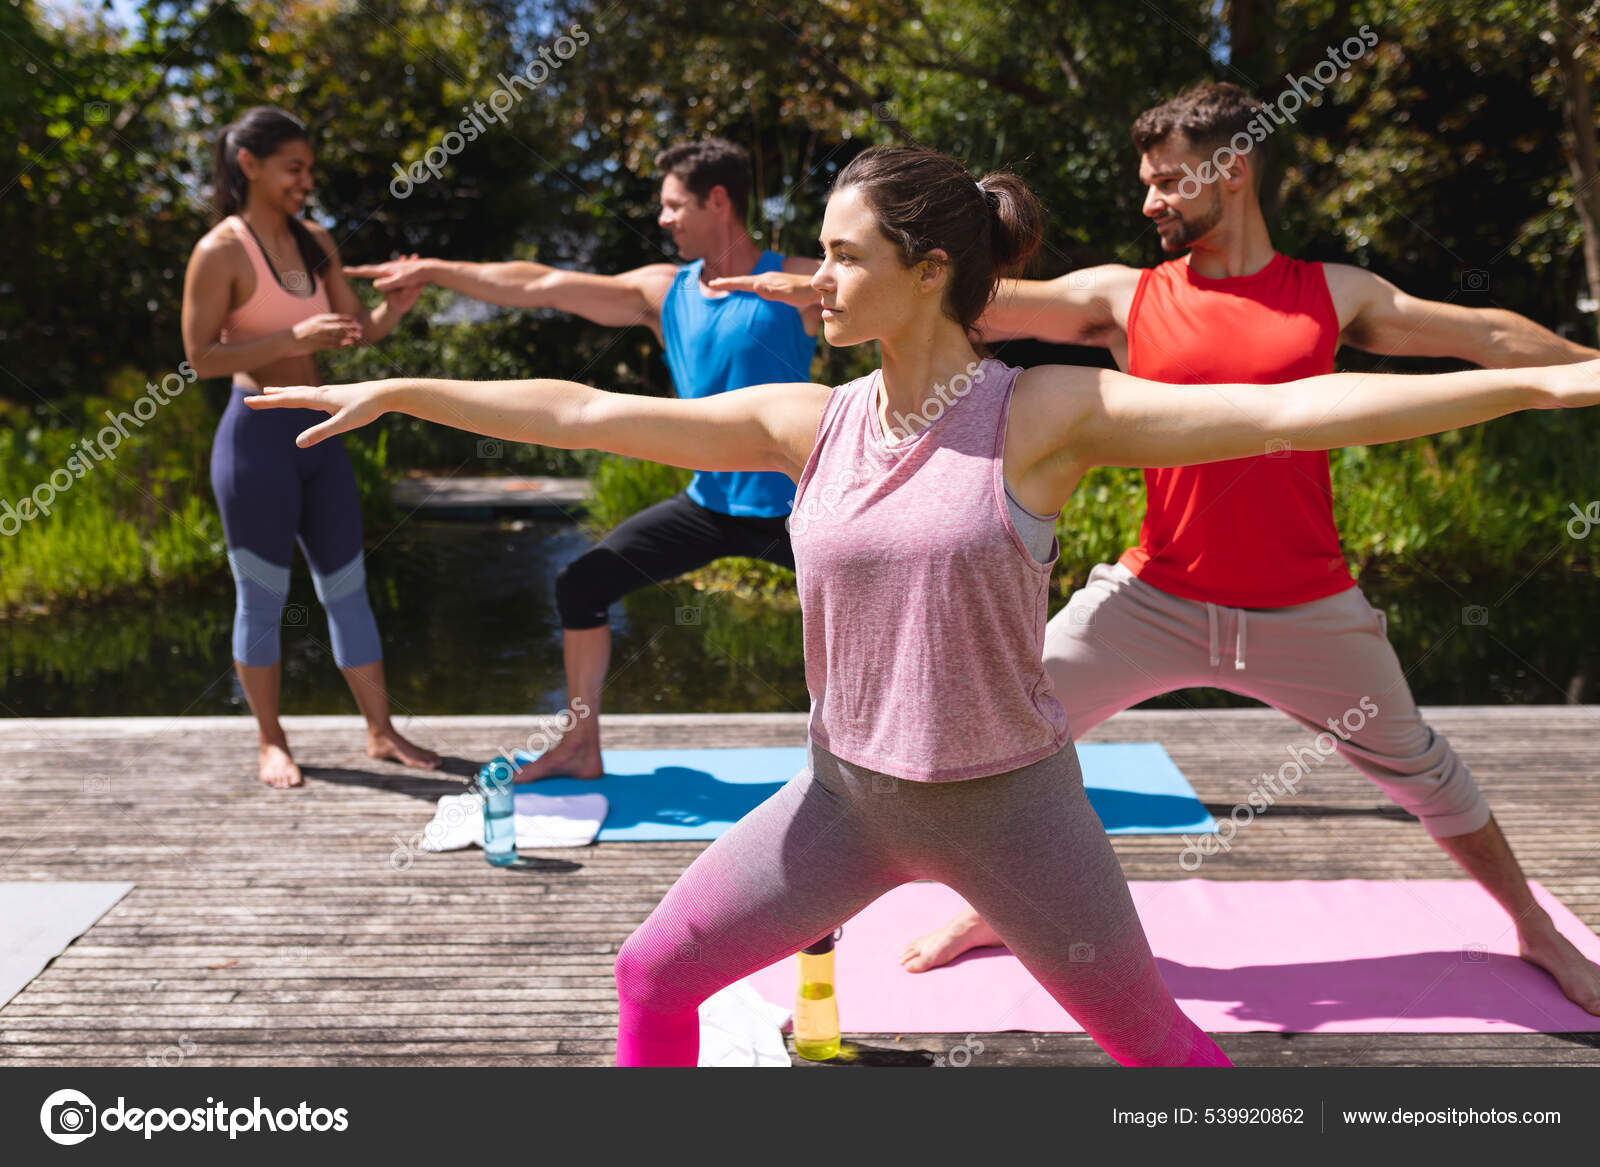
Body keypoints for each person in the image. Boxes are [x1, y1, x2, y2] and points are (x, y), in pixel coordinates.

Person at [243, 144, 1599, 1066]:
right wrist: (411, 388)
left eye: (839, 257)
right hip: (841, 800)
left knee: (1174, 1057)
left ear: (929, 268)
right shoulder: (807, 419)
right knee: (651, 977)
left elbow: (1290, 406)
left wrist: (1545, 381)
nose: (813, 279)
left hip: (1014, 809)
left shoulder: (1044, 413)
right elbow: (593, 407)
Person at [719, 84, 1600, 1015]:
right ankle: (999, 907)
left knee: (1426, 770)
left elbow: (1490, 333)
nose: (1150, 203)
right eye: (1146, 184)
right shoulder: (1122, 296)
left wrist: (1582, 373)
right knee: (996, 717)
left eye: (1170, 183)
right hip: (1154, 597)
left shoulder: (1335, 293)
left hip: (1306, 606)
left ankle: (1533, 929)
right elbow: (953, 287)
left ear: (1236, 168)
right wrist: (821, 278)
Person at [343, 138, 821, 781]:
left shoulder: (795, 279)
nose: (661, 219)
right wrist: (433, 270)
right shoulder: (661, 292)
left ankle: (881, 762)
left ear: (718, 200)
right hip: (710, 504)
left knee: (874, 608)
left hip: (796, 506)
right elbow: (539, 284)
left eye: (673, 205)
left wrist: (830, 287)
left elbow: (910, 300)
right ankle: (578, 745)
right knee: (581, 585)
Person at [181, 106, 440, 789]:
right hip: (254, 437)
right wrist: (292, 340)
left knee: (348, 590)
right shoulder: (221, 251)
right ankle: (271, 741)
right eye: (294, 168)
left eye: (309, 169)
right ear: (250, 165)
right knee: (261, 597)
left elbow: (356, 330)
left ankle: (382, 733)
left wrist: (398, 308)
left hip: (322, 433)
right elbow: (201, 357)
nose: (305, 181)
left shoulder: (315, 238)